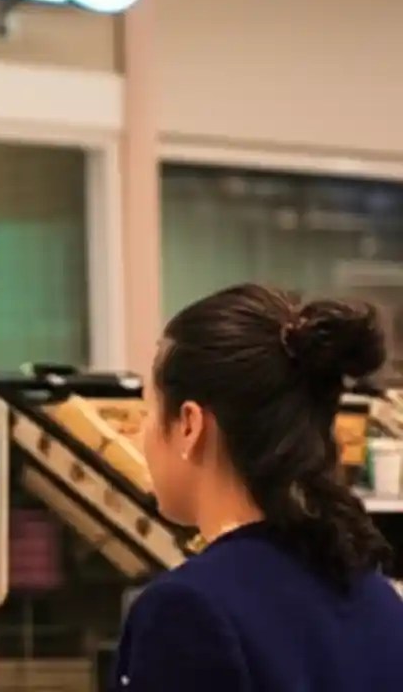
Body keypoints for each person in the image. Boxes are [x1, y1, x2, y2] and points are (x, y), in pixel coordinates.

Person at [112, 283, 403, 692]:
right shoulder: (377, 600)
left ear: (190, 425)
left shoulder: (189, 611)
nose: (143, 432)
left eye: (149, 409)